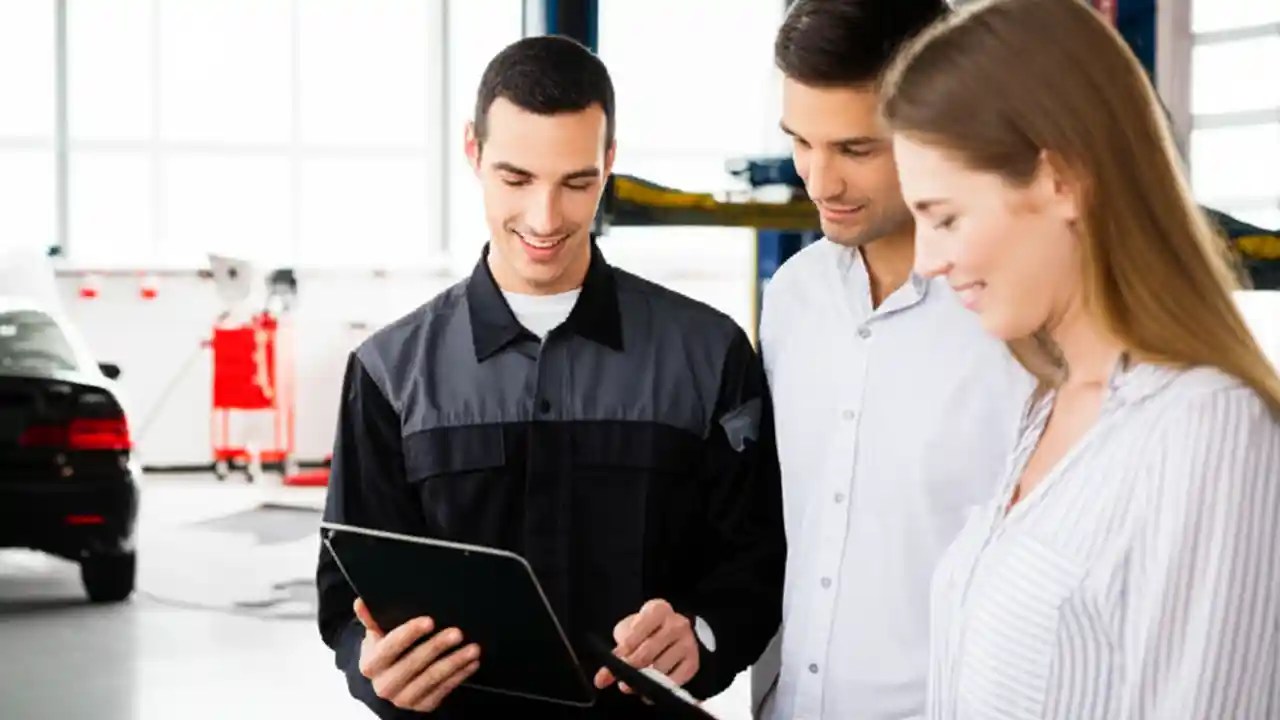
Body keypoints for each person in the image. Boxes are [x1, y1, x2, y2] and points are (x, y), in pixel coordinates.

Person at [315, 35, 785, 719]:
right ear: (472, 152)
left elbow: (757, 560)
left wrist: (703, 635)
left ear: (609, 163)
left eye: (577, 182)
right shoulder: (390, 374)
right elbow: (345, 592)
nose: (544, 218)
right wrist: (372, 666)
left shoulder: (709, 356)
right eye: (516, 179)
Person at [879, 0, 1280, 717]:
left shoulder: (1206, 428)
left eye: (944, 218)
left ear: (1060, 180)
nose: (928, 261)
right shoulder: (1051, 405)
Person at [752, 1, 1033, 718]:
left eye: (855, 149)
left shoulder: (1018, 327)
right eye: (801, 143)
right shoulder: (793, 297)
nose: (819, 182)